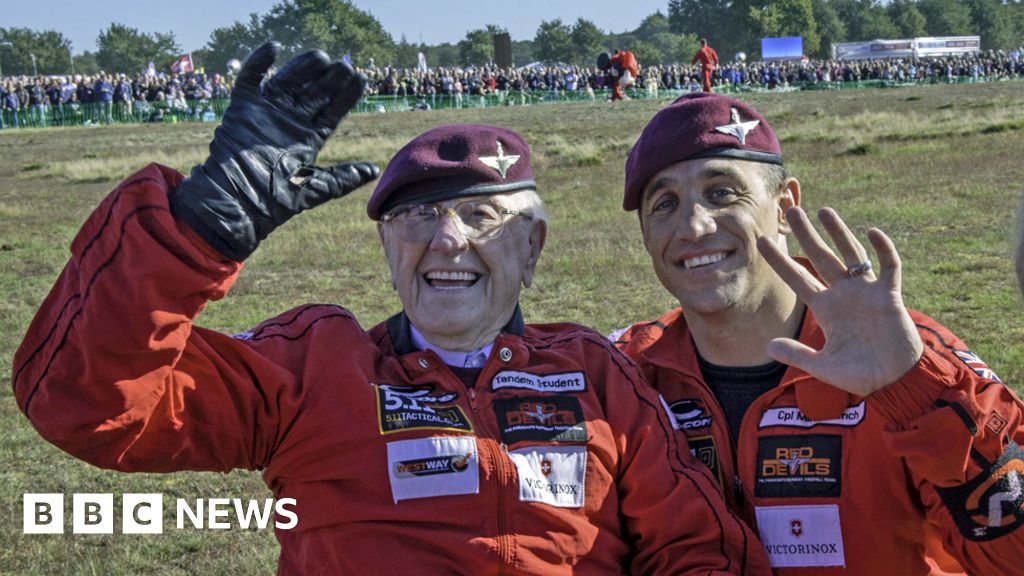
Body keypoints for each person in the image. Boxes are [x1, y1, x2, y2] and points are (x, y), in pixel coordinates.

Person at [13, 43, 769, 575]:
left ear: (533, 248)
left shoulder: (598, 373)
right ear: (385, 247)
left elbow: (699, 549)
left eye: (481, 217)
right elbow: (83, 405)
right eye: (416, 217)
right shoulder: (315, 368)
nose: (446, 241)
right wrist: (191, 233)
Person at [613, 92, 1024, 574]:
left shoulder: (903, 354)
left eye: (722, 192)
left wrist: (916, 394)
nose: (694, 225)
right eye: (664, 204)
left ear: (786, 206)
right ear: (645, 234)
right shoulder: (625, 376)